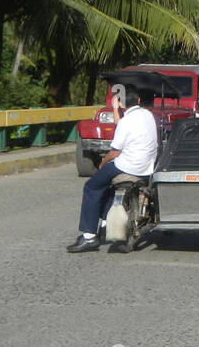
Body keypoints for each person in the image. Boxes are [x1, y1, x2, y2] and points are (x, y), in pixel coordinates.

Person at [67, 85, 159, 252]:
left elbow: (115, 151)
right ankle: (104, 222)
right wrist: (117, 110)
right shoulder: (148, 115)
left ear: (121, 104)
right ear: (138, 100)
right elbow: (122, 126)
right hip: (147, 168)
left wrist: (102, 163)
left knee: (92, 187)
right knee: (108, 185)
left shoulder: (126, 121)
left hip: (129, 165)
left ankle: (89, 237)